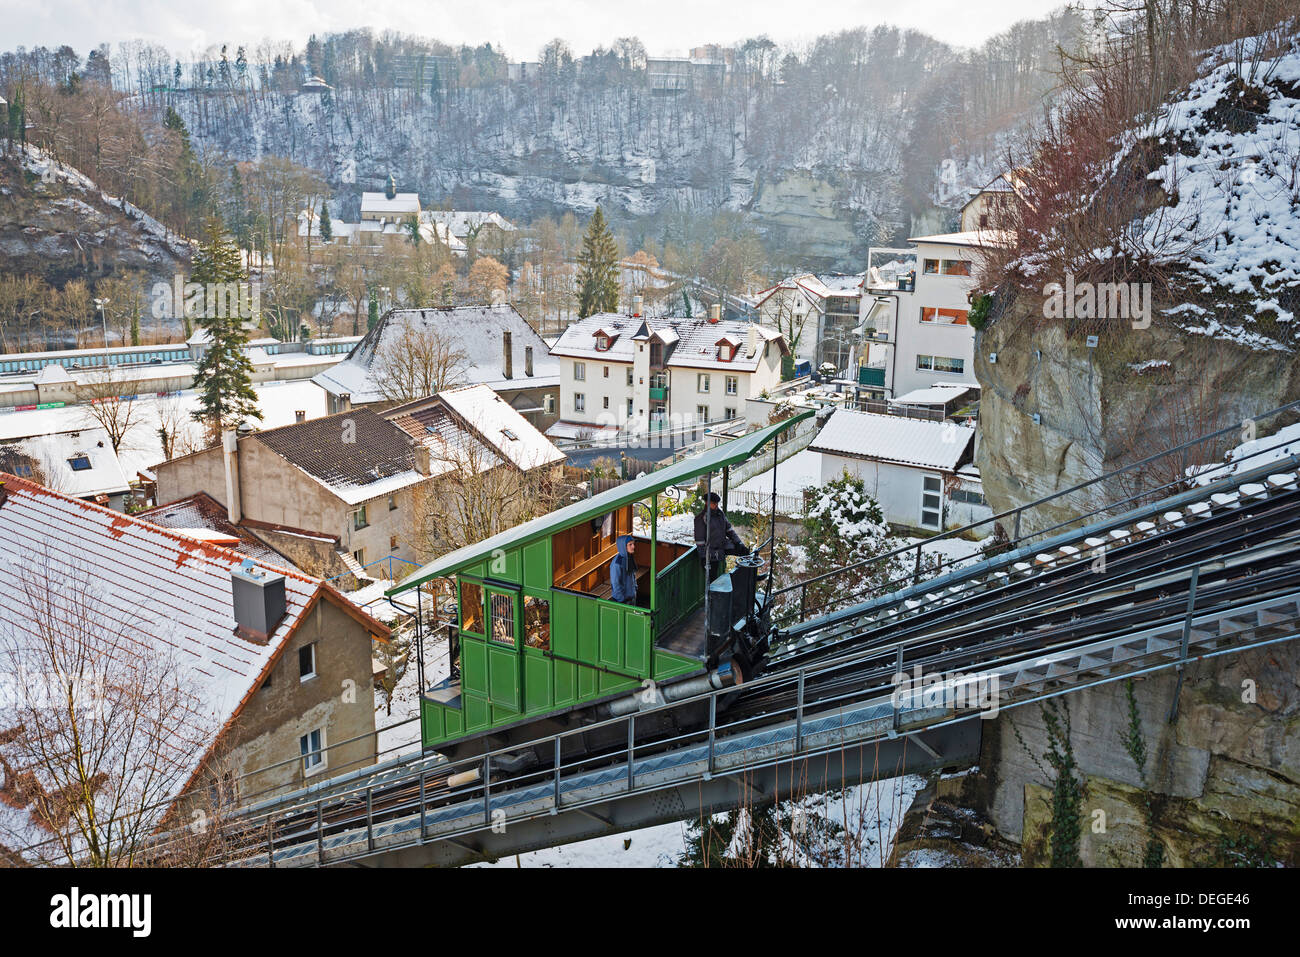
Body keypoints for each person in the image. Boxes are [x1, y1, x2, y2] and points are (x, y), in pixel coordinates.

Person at [694, 492, 750, 582]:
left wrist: (738, 542)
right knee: (713, 579)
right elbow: (699, 541)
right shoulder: (701, 519)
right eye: (714, 503)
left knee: (744, 551)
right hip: (711, 552)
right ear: (707, 503)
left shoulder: (720, 514)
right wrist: (704, 558)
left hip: (723, 546)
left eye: (717, 503)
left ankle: (751, 577)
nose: (716, 505)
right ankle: (713, 594)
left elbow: (729, 530)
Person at [609, 534, 640, 605]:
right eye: (630, 544)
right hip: (622, 601)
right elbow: (616, 584)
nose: (633, 546)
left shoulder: (629, 558)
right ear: (623, 546)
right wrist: (622, 600)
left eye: (633, 544)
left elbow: (632, 575)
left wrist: (635, 589)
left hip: (632, 597)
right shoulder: (617, 563)